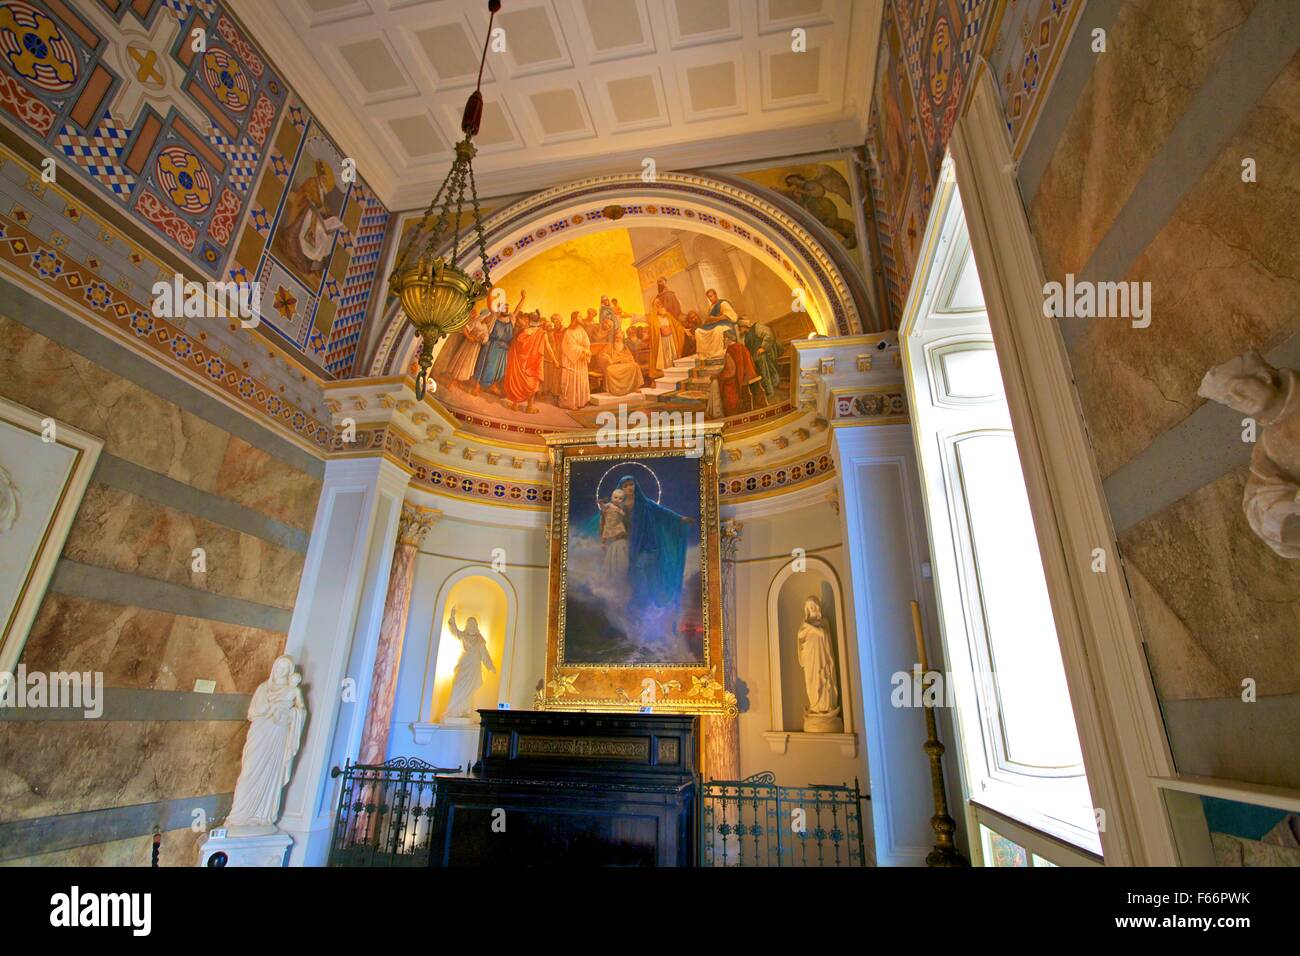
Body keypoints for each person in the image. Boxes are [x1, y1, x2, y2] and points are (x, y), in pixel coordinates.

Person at [226, 655, 306, 832]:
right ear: (274, 668)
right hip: (261, 731)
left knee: (273, 771)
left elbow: (301, 711)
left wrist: (289, 715)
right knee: (249, 771)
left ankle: (264, 814)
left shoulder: (294, 691)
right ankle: (239, 814)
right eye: (280, 666)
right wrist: (270, 710)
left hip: (279, 734)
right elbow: (253, 711)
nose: (282, 670)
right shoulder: (263, 688)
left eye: (286, 668)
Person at [617, 474, 691, 615]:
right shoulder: (619, 506)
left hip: (649, 545)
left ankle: (643, 600)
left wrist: (680, 519)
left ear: (635, 485)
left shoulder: (645, 503)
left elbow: (663, 512)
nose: (629, 488)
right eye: (625, 486)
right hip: (630, 545)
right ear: (621, 489)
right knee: (639, 573)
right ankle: (644, 603)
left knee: (640, 567)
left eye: (631, 484)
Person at [443, 607, 496, 721]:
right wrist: (452, 618)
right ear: (467, 626)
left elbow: (485, 655)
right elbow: (454, 631)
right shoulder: (463, 636)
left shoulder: (480, 641)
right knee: (457, 685)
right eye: (470, 624)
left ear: (476, 627)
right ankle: (452, 711)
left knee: (469, 691)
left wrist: (490, 666)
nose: (472, 626)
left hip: (474, 668)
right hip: (464, 665)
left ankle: (464, 711)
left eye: (473, 624)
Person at [502, 310, 556, 413]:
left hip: (521, 365)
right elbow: (548, 348)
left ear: (529, 320)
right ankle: (529, 407)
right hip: (533, 365)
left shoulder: (523, 332)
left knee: (520, 382)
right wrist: (555, 360)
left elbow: (515, 348)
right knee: (533, 384)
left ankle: (515, 404)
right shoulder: (541, 333)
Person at [473, 290, 524, 395]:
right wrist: (491, 292)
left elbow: (518, 309)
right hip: (491, 345)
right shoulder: (494, 317)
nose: (506, 309)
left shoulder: (511, 319)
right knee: (484, 365)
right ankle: (477, 386)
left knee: (500, 369)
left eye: (507, 308)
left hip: (504, 348)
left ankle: (493, 386)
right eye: (504, 307)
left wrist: (523, 298)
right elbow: (490, 304)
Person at [717, 327, 764, 416]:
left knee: (723, 384)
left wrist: (719, 376)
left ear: (728, 339)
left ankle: (731, 412)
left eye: (724, 338)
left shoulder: (729, 351)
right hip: (750, 374)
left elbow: (731, 372)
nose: (723, 340)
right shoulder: (741, 346)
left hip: (740, 378)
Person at [446, 308, 492, 388]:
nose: (490, 319)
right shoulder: (475, 322)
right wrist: (470, 337)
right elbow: (465, 329)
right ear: (485, 316)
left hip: (475, 348)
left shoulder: (485, 326)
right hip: (468, 345)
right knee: (462, 362)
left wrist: (483, 338)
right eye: (489, 317)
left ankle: (458, 381)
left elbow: (486, 337)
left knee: (468, 364)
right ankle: (451, 382)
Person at [740, 316, 782, 399]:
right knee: (764, 374)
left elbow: (769, 334)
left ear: (744, 326)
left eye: (740, 327)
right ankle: (769, 391)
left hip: (761, 355)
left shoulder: (757, 328)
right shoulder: (746, 336)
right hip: (755, 358)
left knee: (765, 374)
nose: (739, 330)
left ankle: (770, 393)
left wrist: (763, 347)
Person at [593, 331, 644, 396]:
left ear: (622, 338)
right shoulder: (610, 345)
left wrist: (627, 360)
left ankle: (634, 387)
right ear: (614, 337)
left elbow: (630, 356)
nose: (618, 339)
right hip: (614, 365)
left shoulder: (624, 346)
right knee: (609, 370)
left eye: (620, 337)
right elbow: (601, 354)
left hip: (623, 364)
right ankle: (614, 390)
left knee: (635, 366)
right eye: (616, 337)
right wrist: (608, 358)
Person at [559, 311, 592, 409]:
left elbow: (587, 342)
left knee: (580, 378)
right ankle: (570, 403)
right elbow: (568, 346)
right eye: (580, 317)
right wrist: (582, 350)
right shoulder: (568, 331)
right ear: (575, 318)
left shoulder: (581, 330)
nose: (582, 318)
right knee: (572, 380)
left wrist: (586, 350)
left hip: (581, 359)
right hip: (571, 360)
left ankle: (581, 401)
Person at [599, 488, 629, 579]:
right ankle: (603, 544)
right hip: (609, 524)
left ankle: (618, 540)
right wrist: (601, 503)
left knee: (620, 530)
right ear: (612, 498)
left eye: (620, 498)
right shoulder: (609, 505)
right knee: (605, 534)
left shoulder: (619, 508)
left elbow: (623, 514)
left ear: (622, 500)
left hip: (617, 524)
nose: (617, 500)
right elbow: (603, 508)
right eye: (615, 497)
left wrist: (621, 512)